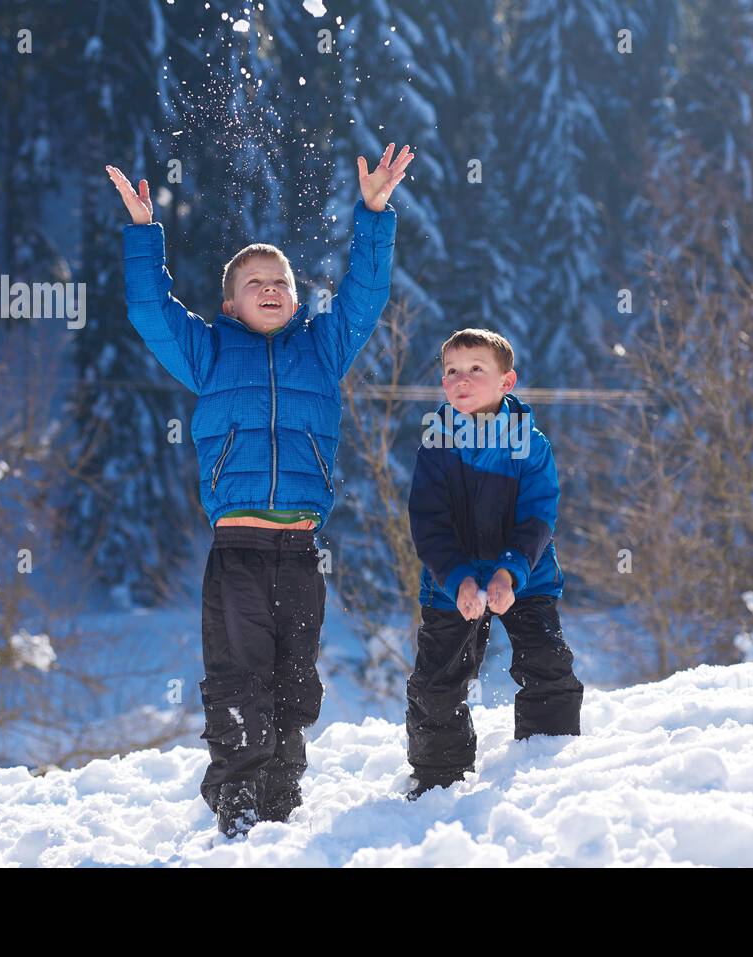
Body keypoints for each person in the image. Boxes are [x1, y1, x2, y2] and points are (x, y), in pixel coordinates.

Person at [105, 141, 414, 836]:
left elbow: (365, 295)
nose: (271, 288)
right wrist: (142, 231)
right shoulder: (209, 353)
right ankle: (238, 801)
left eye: (281, 280)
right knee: (240, 674)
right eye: (255, 282)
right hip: (239, 547)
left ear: (298, 298)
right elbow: (152, 312)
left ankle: (281, 795)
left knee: (295, 678)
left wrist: (373, 213)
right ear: (229, 301)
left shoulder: (321, 349)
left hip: (302, 550)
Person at [404, 328, 585, 800]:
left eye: (475, 369)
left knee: (546, 663)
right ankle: (437, 776)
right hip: (451, 582)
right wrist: (459, 579)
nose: (461, 380)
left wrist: (509, 572)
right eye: (451, 371)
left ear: (507, 382)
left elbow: (538, 515)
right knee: (437, 680)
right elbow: (429, 522)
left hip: (525, 576)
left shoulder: (530, 444)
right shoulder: (437, 444)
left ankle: (549, 756)